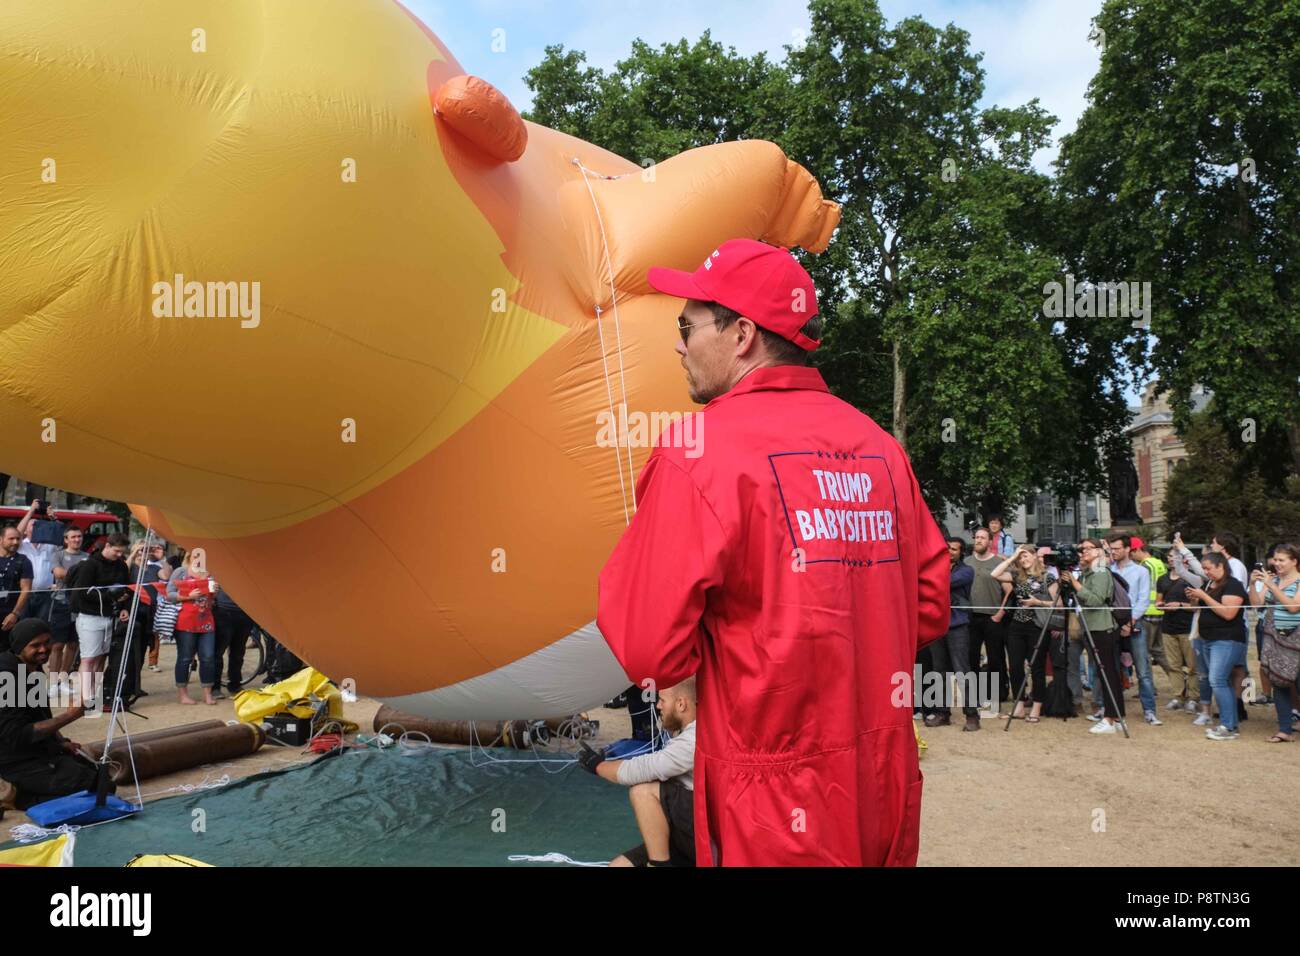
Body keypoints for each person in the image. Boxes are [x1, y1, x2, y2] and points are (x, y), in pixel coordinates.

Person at [597, 239, 950, 867]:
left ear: (741, 335)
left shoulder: (699, 451)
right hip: (881, 776)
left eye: (686, 326)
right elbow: (926, 606)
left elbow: (646, 641)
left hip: (768, 791)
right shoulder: (879, 448)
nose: (678, 345)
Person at [580, 678, 698, 867]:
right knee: (618, 865)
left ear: (681, 704)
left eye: (662, 700)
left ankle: (659, 864)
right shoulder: (687, 732)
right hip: (683, 835)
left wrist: (598, 766)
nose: (658, 705)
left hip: (702, 838)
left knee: (643, 791)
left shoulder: (694, 739)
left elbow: (643, 769)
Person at [0, 619, 110, 810]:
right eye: (35, 645)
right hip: (14, 760)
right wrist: (71, 715)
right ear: (19, 647)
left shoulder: (30, 668)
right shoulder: (8, 676)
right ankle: (16, 794)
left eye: (47, 643)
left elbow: (40, 716)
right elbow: (19, 735)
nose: (44, 649)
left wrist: (61, 742)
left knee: (97, 773)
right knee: (98, 786)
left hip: (35, 751)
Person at [1186, 553, 1247, 741]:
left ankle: (1228, 726)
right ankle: (1230, 724)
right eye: (1204, 568)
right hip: (1207, 638)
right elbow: (1198, 609)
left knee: (1217, 680)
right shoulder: (1208, 584)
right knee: (1221, 681)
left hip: (1227, 639)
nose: (1206, 572)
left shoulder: (1233, 585)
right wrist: (1195, 598)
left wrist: (1204, 595)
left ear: (1221, 566)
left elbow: (1228, 613)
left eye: (1208, 568)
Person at [993, 545, 1058, 722]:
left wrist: (1037, 602)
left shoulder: (1048, 577)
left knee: (1036, 667)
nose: (1023, 560)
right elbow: (995, 574)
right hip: (1016, 625)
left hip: (1037, 626)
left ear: (1035, 556)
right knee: (1014, 666)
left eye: (1026, 556)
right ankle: (1019, 706)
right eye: (1021, 558)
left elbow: (1057, 604)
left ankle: (1037, 706)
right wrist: (1013, 557)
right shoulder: (1017, 576)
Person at [69, 533, 130, 708]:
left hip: (110, 617)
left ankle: (93, 695)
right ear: (108, 546)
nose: (119, 555)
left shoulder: (122, 566)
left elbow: (127, 589)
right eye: (117, 551)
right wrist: (109, 597)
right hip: (89, 617)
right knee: (88, 659)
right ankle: (84, 698)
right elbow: (82, 592)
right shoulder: (90, 564)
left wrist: (124, 606)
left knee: (100, 658)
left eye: (122, 552)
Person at [1106, 535, 1161, 725]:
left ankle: (1150, 710)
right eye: (1111, 549)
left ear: (1128, 549)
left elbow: (1143, 599)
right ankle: (1111, 709)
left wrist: (1130, 622)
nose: (1113, 552)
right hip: (1111, 625)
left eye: (1117, 548)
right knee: (1111, 668)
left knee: (1143, 670)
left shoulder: (1140, 571)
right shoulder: (1107, 570)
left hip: (1135, 624)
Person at [926, 537, 979, 730]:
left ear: (961, 552)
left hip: (957, 626)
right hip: (937, 625)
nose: (950, 552)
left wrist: (930, 578)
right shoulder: (936, 569)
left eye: (954, 549)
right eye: (947, 548)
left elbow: (941, 584)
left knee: (962, 671)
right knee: (939, 672)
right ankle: (942, 713)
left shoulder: (966, 571)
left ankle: (972, 716)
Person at [1251, 543, 1300, 743]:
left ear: (1294, 561)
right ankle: (1284, 729)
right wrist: (1253, 584)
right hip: (1273, 638)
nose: (1276, 563)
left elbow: (1293, 608)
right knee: (1278, 681)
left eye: (1282, 560)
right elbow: (1256, 604)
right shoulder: (1273, 580)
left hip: (1296, 640)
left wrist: (1272, 586)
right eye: (1275, 559)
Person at [1075, 540, 1124, 734]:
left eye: (1087, 548)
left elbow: (1095, 600)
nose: (1083, 552)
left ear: (1098, 551)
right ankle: (1117, 716)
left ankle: (1110, 718)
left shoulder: (1102, 572)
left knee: (1107, 673)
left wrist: (1075, 585)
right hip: (1092, 626)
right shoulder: (1089, 572)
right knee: (1106, 672)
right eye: (1081, 549)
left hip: (1102, 627)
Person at [965, 528, 1013, 718]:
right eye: (976, 537)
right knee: (971, 658)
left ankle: (996, 696)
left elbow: (1009, 589)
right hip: (971, 617)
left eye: (982, 538)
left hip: (993, 617)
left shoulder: (998, 562)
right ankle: (975, 696)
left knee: (995, 658)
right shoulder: (967, 562)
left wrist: (1001, 613)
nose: (978, 540)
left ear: (990, 541)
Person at [167, 551, 218, 705]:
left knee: (208, 657)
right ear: (190, 556)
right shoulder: (180, 572)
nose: (200, 559)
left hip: (206, 620)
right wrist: (189, 596)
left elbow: (212, 599)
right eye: (197, 556)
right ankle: (183, 695)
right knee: (185, 658)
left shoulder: (211, 573)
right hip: (186, 621)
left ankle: (207, 694)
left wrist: (215, 592)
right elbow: (169, 594)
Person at [1154, 557, 1202, 715]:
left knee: (1193, 666)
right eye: (1169, 558)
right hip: (1168, 628)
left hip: (1188, 628)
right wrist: (1161, 606)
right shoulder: (1162, 579)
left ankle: (1194, 698)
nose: (1171, 561)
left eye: (1175, 558)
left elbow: (1197, 607)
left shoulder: (1192, 580)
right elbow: (1158, 601)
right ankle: (1178, 696)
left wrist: (1180, 605)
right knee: (1174, 665)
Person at [48, 526, 88, 688]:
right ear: (66, 540)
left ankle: (63, 680)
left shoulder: (87, 557)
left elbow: (90, 577)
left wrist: (70, 574)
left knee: (73, 644)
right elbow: (58, 573)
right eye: (73, 537)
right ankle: (52, 682)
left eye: (79, 536)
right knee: (57, 645)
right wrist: (81, 574)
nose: (77, 539)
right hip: (61, 603)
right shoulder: (58, 555)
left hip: (80, 605)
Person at [1131, 538, 1172, 683]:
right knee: (1158, 650)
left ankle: (1149, 684)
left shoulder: (1144, 565)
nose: (1131, 556)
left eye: (1131, 552)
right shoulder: (1158, 563)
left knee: (1144, 652)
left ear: (1137, 550)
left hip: (1148, 611)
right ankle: (1178, 678)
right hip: (1159, 610)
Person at [16, 501, 57, 627]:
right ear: (26, 529)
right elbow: (17, 532)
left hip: (45, 595)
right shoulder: (21, 545)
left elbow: (61, 534)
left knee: (41, 627)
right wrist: (31, 511)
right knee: (23, 627)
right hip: (24, 595)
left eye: (38, 525)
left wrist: (53, 518)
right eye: (33, 525)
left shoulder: (50, 545)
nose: (36, 527)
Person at [0, 524, 34, 637]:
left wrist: (15, 614)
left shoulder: (23, 561)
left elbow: (26, 590)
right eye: (11, 539)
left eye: (18, 539)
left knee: (7, 651)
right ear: (1, 539)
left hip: (8, 615)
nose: (15, 542)